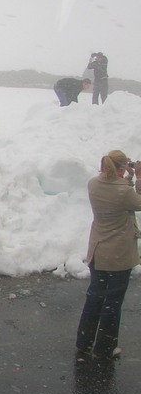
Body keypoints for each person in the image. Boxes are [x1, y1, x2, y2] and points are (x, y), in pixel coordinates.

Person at [76, 150, 141, 360]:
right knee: (112, 302)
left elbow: (121, 192)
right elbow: (137, 201)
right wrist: (139, 177)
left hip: (98, 252)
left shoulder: (93, 184)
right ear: (121, 168)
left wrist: (128, 178)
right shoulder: (123, 192)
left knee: (95, 297)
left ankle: (84, 342)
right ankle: (104, 349)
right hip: (118, 255)